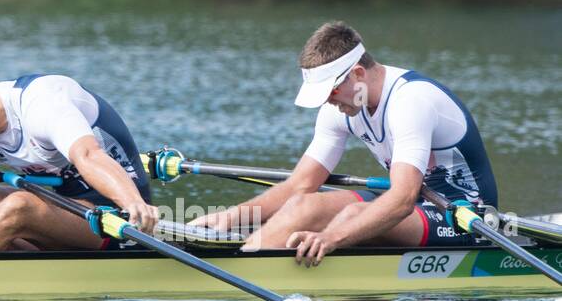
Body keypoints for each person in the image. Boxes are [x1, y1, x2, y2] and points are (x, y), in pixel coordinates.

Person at [193, 21, 497, 264]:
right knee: (303, 206)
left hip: (462, 216)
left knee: (351, 216)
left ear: (358, 74)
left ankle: (253, 271)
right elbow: (299, 186)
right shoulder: (342, 106)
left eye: (332, 91)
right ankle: (244, 262)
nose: (327, 100)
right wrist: (232, 216)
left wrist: (331, 238)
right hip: (409, 206)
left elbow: (403, 200)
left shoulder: (411, 102)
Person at [0, 72, 158, 252]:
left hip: (117, 221)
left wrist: (133, 205)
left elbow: (88, 155)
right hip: (64, 212)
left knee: (19, 205)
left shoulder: (40, 104)